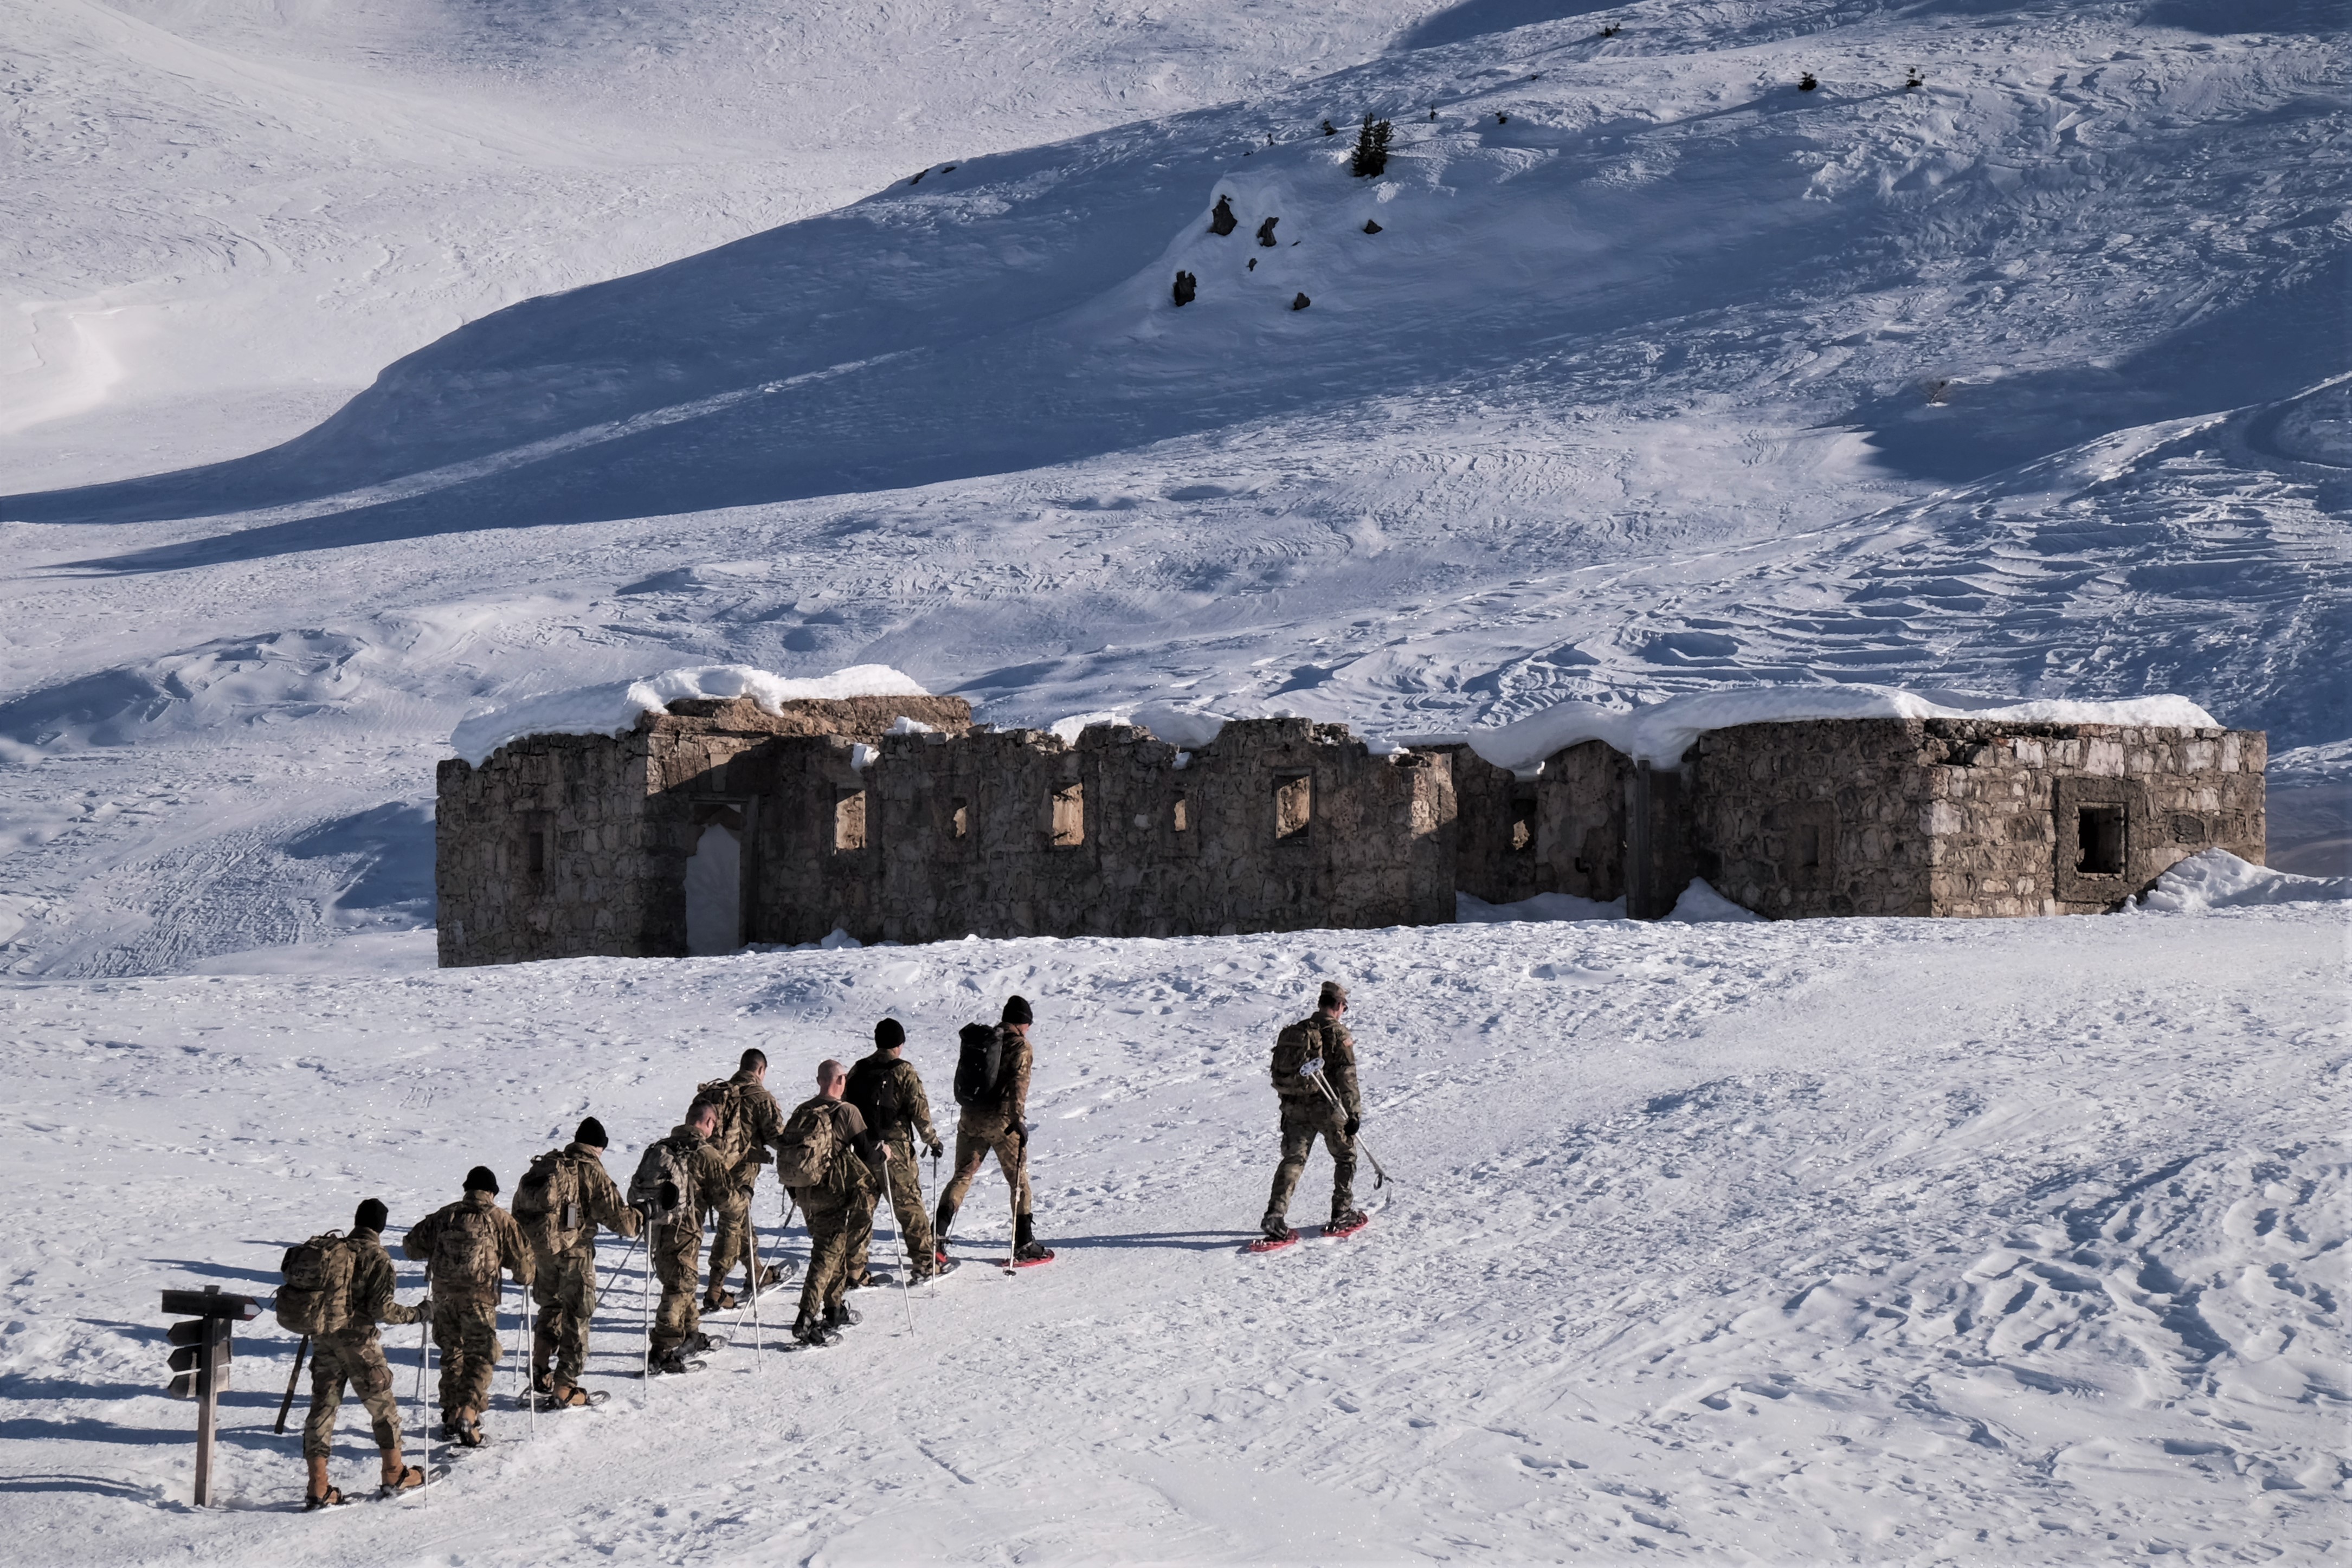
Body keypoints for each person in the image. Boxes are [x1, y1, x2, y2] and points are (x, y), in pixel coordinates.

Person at [299, 1198, 429, 1508]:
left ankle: (318, 1486)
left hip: (324, 1339)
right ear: (381, 1226)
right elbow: (382, 1309)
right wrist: (418, 1313)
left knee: (322, 1409)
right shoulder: (377, 1257)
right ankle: (395, 1473)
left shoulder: (334, 1251)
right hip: (360, 1344)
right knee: (383, 1409)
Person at [515, 1117, 641, 1407]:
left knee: (551, 1308)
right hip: (576, 1255)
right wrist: (642, 1215)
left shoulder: (551, 1165)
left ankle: (540, 1368)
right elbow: (622, 1221)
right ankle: (565, 1388)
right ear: (600, 1147)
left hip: (544, 1252)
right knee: (577, 1315)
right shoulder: (591, 1169)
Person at [403, 1167, 532, 1447]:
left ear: (466, 1189)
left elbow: (410, 1247)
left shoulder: (445, 1215)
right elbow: (524, 1265)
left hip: (444, 1299)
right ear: (492, 1193)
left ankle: (451, 1415)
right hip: (479, 1299)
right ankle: (469, 1413)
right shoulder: (500, 1218)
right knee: (482, 1354)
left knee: (453, 1353)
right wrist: (525, 1277)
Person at [780, 1059, 891, 1346]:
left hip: (804, 1194)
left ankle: (834, 1309)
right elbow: (866, 1153)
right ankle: (806, 1318)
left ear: (820, 1081)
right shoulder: (847, 1111)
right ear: (841, 1081)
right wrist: (885, 1155)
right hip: (834, 1194)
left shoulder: (802, 1111)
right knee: (826, 1256)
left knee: (834, 1250)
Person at [936, 996, 1053, 1264]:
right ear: (1023, 1023)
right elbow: (1019, 1085)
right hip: (1003, 1123)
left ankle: (936, 1237)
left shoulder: (984, 1041)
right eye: (1028, 1024)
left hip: (970, 1119)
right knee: (1018, 1181)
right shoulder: (1020, 1046)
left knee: (962, 1176)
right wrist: (1018, 1120)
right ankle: (1024, 1243)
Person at [630, 1098, 734, 1375]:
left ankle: (692, 1334)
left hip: (657, 1226)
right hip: (684, 1230)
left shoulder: (661, 1147)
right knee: (679, 1286)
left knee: (679, 1280)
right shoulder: (705, 1153)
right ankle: (661, 1351)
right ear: (709, 1122)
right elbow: (727, 1201)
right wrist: (743, 1197)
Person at [846, 1017, 950, 1281]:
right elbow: (920, 1112)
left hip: (863, 1150)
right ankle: (925, 1264)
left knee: (861, 1211)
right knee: (910, 1207)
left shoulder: (858, 1069)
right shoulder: (904, 1070)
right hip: (896, 1153)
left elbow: (846, 1108)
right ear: (899, 1044)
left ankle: (853, 1270)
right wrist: (932, 1141)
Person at [1262, 980, 1367, 1242]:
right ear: (1339, 1005)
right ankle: (1342, 1211)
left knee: (1293, 1160)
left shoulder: (1299, 1030)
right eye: (1344, 1007)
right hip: (1327, 1107)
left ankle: (1275, 1215)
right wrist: (1354, 1113)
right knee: (1346, 1156)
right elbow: (1347, 1076)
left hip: (1295, 1106)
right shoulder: (1338, 1033)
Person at [694, 1048, 788, 1312]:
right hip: (740, 1173)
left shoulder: (716, 1093)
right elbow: (778, 1139)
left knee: (740, 1219)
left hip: (707, 1167)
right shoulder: (760, 1096)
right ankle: (715, 1289)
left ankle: (756, 1271)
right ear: (761, 1070)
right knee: (732, 1224)